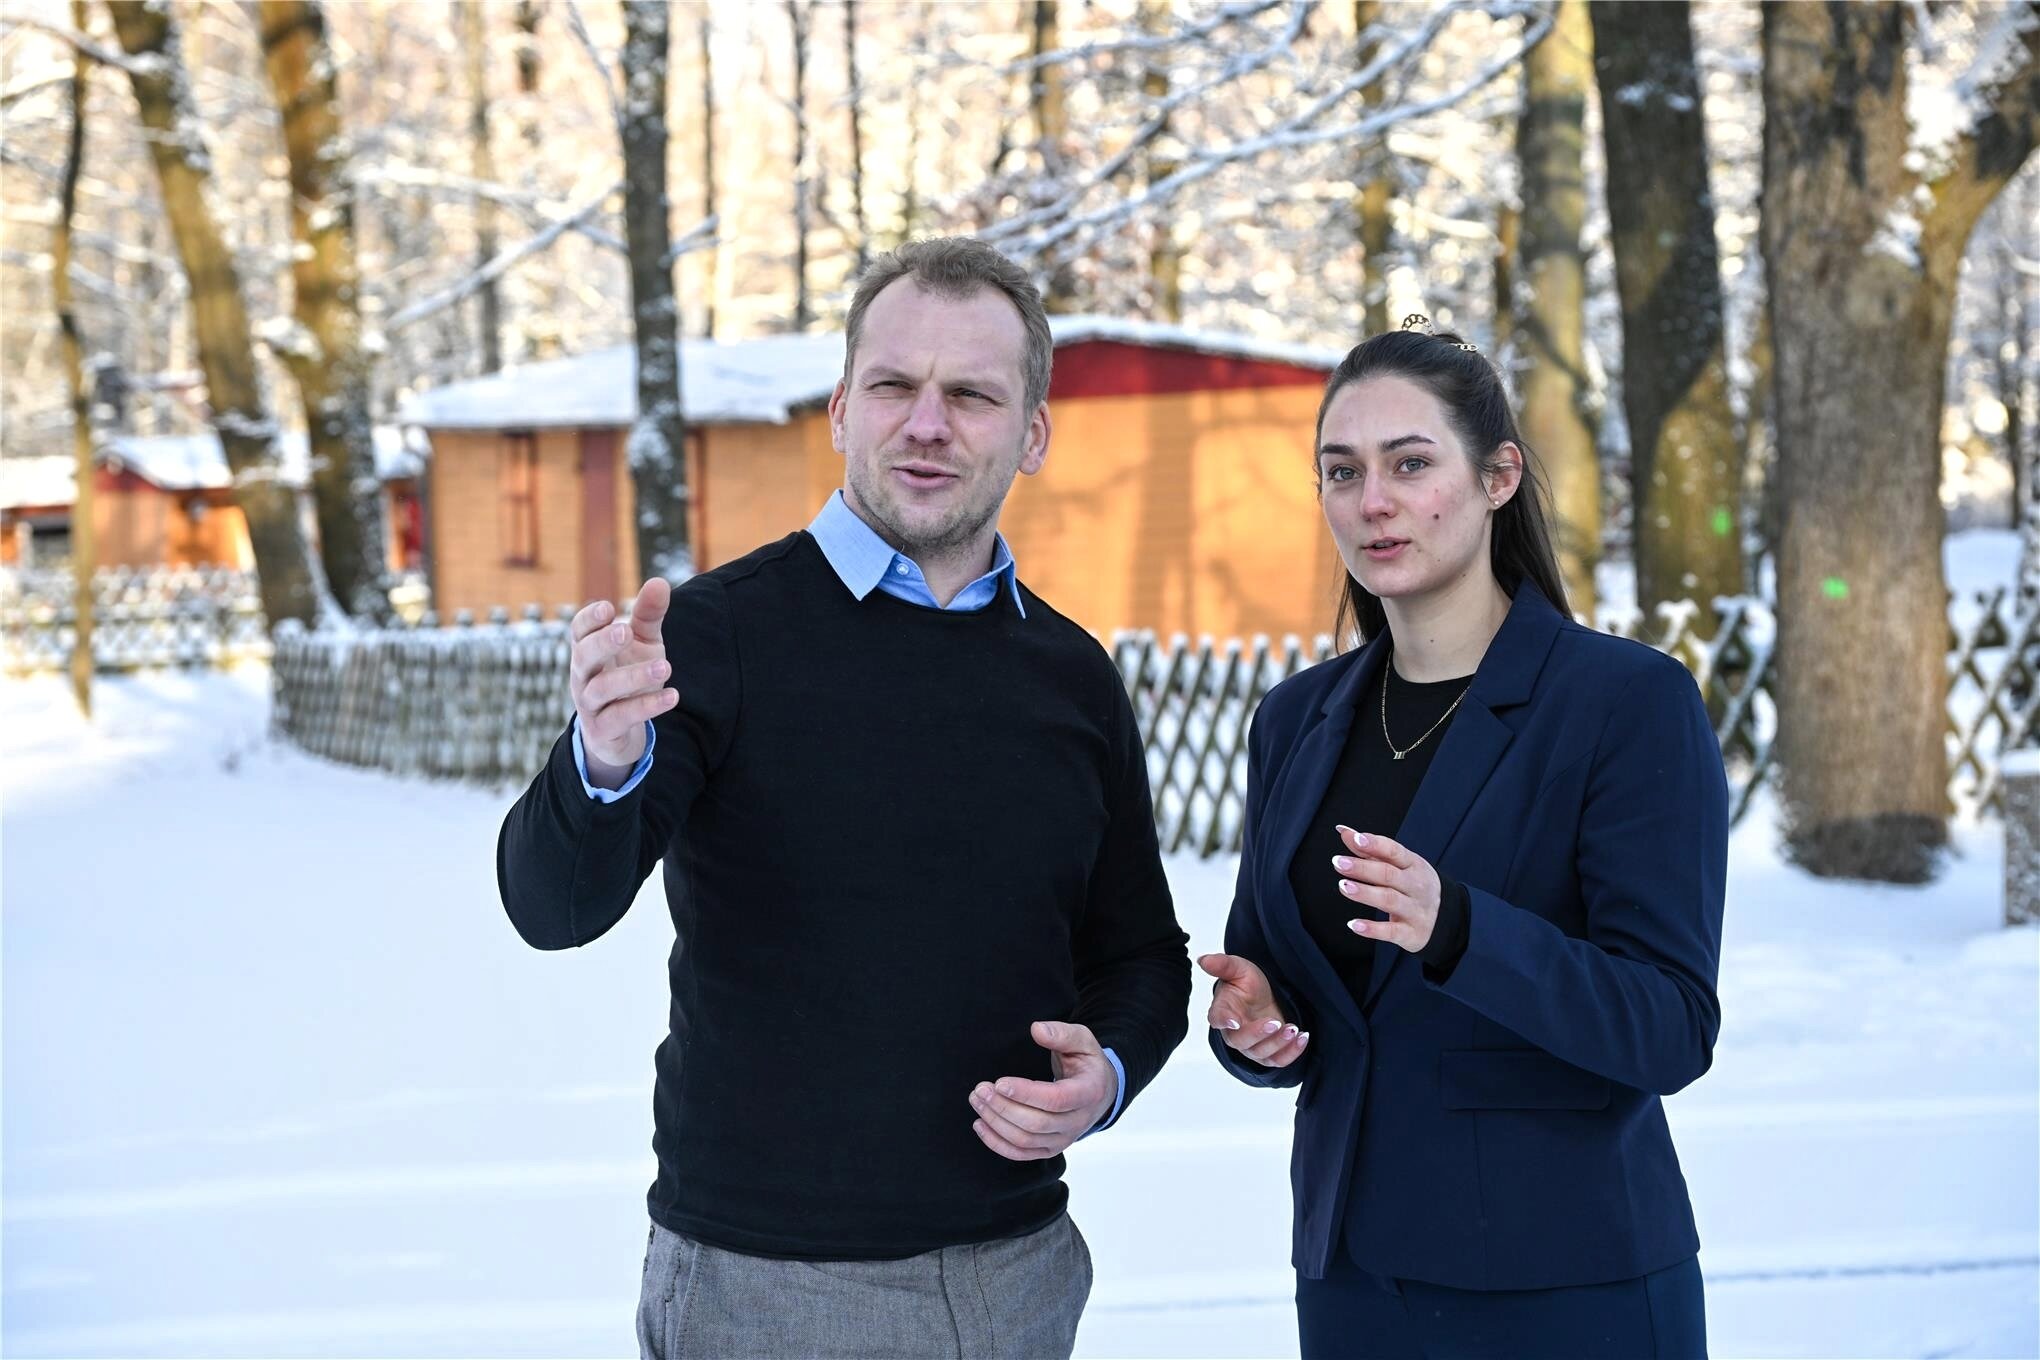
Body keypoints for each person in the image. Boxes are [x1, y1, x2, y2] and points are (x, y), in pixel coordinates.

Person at [497, 237, 1190, 1360]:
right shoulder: (715, 637)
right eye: (893, 385)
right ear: (840, 410)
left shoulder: (1072, 676)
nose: (927, 424)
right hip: (768, 1290)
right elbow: (553, 906)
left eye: (972, 395)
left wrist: (1105, 1076)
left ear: (1033, 434)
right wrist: (603, 760)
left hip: (1021, 1277)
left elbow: (1143, 955)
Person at [1199, 320, 1726, 1359]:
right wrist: (1256, 1025)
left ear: (1498, 477)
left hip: (1564, 1280)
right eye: (1342, 471)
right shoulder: (1294, 719)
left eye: (1409, 463)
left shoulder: (1625, 702)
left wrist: (1460, 931)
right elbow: (1291, 985)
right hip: (1353, 1283)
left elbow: (1670, 1026)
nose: (1372, 500)